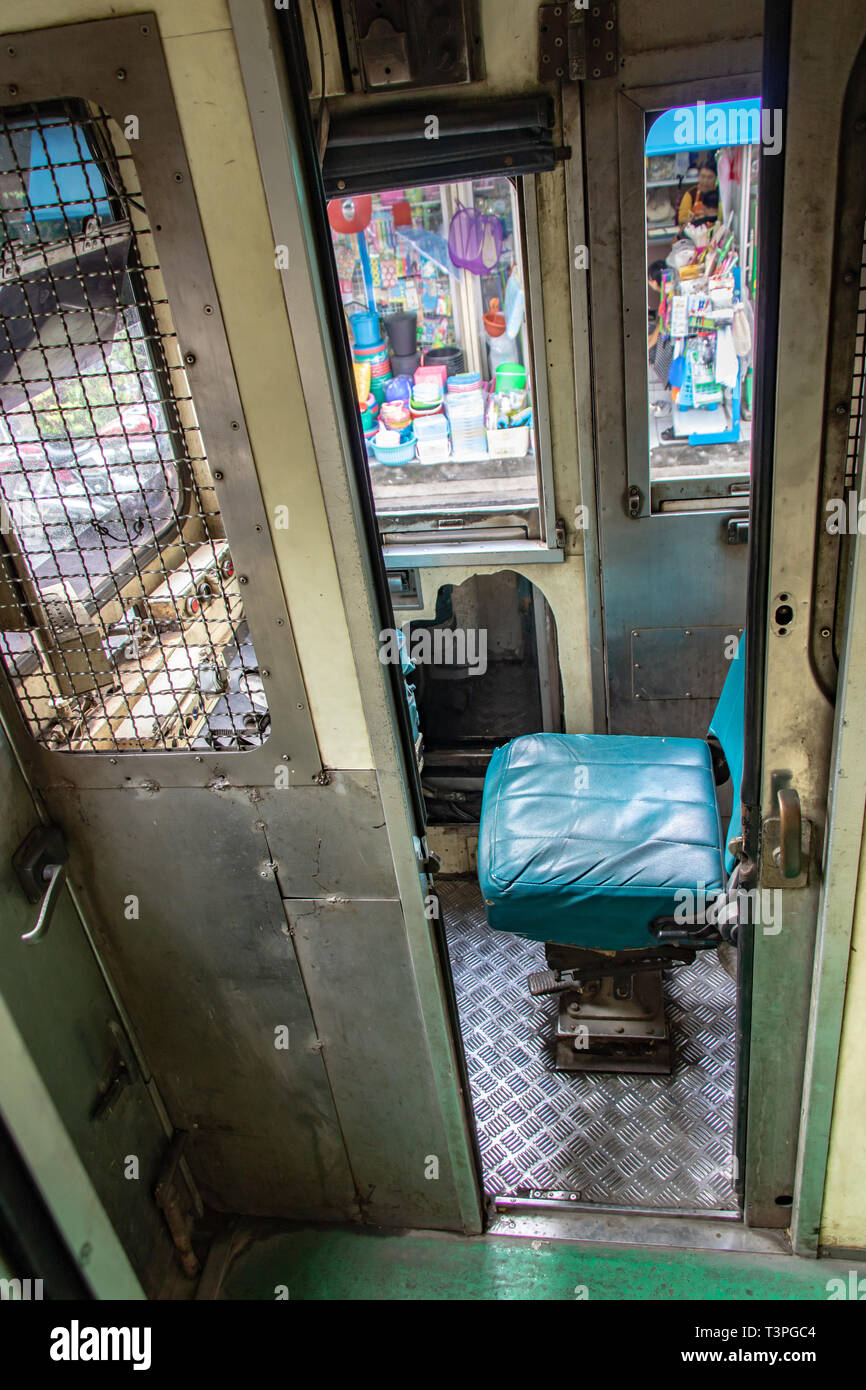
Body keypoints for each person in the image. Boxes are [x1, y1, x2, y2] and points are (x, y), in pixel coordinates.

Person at [678, 156, 719, 226]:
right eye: (702, 176)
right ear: (698, 176)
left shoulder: (720, 194)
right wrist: (688, 220)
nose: (705, 181)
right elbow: (681, 220)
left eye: (710, 177)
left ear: (716, 178)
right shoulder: (690, 194)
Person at [647, 260, 668, 354]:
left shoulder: (665, 300)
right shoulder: (666, 293)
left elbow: (660, 327)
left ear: (654, 282)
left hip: (667, 339)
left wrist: (649, 345)